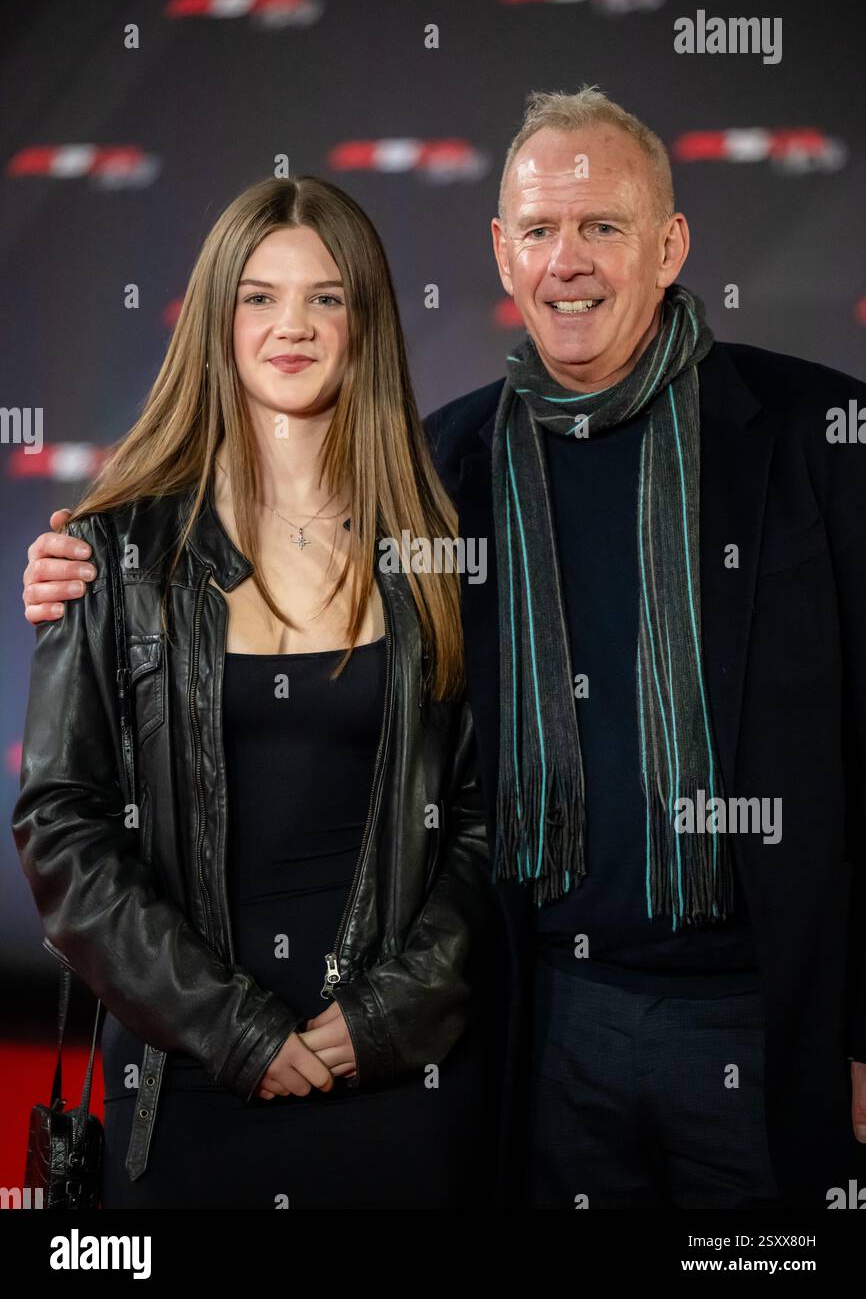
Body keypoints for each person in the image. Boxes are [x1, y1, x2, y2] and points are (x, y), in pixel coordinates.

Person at [23, 86, 866, 1212]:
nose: (566, 262)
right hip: (538, 1029)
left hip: (763, 1023)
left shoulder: (818, 438)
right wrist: (79, 577)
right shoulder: (445, 474)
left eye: (600, 227)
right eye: (537, 231)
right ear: (501, 255)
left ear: (668, 245)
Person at [13, 174, 498, 1210]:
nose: (292, 325)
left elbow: (480, 823)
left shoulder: (432, 551)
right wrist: (235, 1028)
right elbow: (61, 825)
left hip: (397, 1087)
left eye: (326, 297)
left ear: (364, 323)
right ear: (215, 320)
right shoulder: (111, 551)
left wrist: (382, 1022)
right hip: (186, 1080)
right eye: (258, 296)